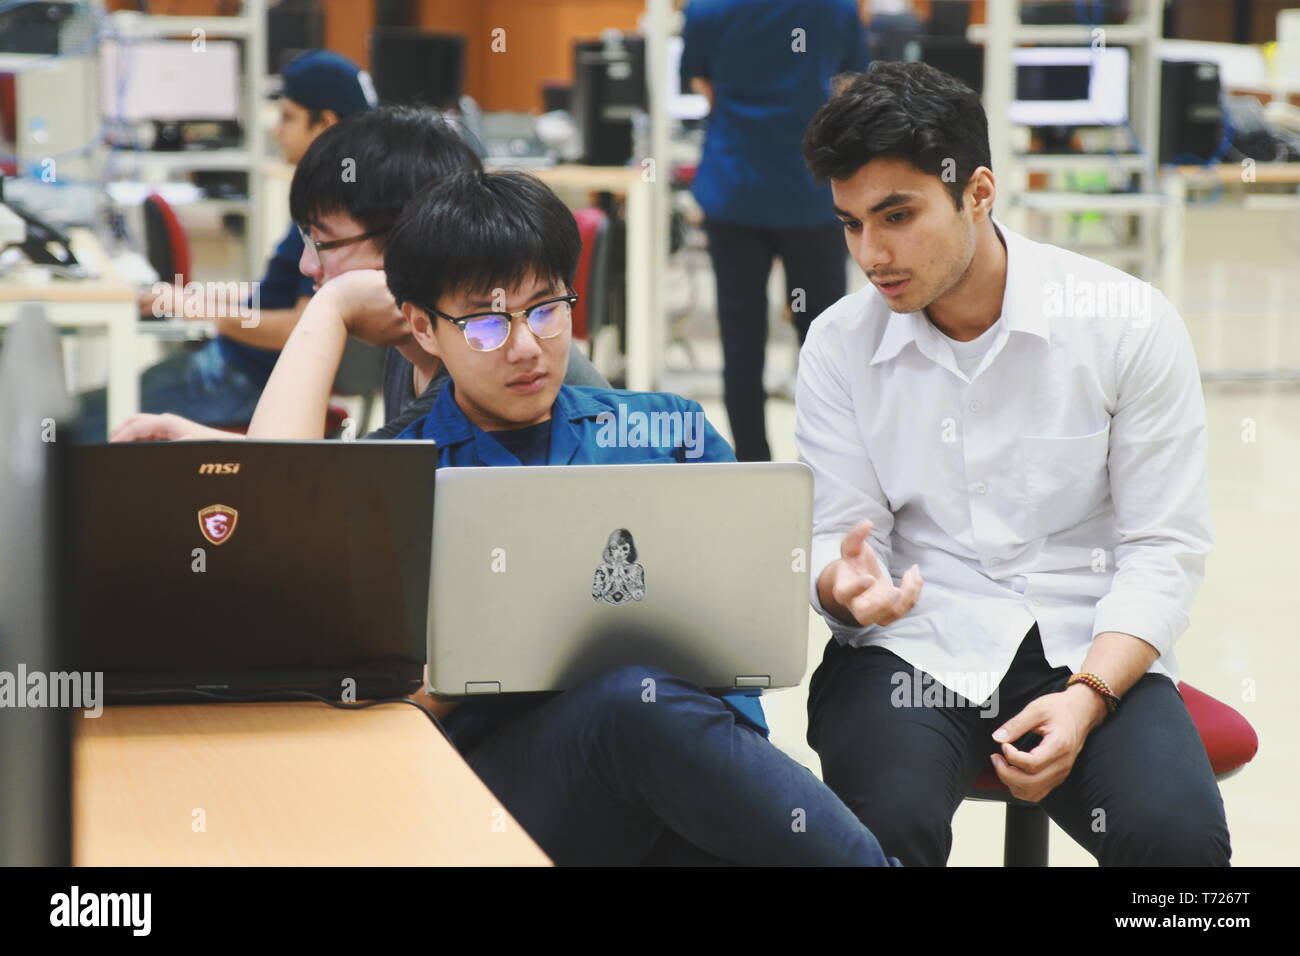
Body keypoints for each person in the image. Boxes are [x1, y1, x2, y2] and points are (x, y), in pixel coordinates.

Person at [250, 165, 899, 866]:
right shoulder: (389, 477)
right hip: (500, 801)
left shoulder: (669, 434)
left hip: (682, 774)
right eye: (487, 322)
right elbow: (340, 707)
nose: (527, 346)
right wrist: (435, 688)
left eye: (546, 309)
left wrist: (820, 575)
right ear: (422, 328)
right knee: (631, 701)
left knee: (655, 724)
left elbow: (744, 631)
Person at [795, 61, 1230, 866]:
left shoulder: (1124, 326)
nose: (873, 253)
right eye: (851, 224)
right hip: (911, 647)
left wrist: (1088, 699)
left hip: (1085, 640)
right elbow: (834, 533)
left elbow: (1163, 549)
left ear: (979, 192)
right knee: (878, 834)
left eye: (897, 215)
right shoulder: (839, 344)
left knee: (1180, 848)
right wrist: (841, 587)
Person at [109, 106, 609, 444]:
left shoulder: (487, 365)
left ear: (406, 242)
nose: (308, 266)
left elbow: (286, 483)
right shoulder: (419, 348)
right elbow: (361, 467)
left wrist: (332, 306)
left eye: (322, 242)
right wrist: (200, 438)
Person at [78, 50, 376, 441]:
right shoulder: (333, 194)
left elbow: (298, 328)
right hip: (241, 365)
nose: (276, 130)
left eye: (287, 117)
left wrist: (201, 308)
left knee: (80, 419)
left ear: (325, 124)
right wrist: (199, 299)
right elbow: (279, 300)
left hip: (248, 379)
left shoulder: (336, 209)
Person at [680, 0, 866, 461]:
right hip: (811, 187)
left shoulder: (707, 10)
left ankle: (752, 464)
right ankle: (828, 461)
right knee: (824, 335)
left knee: (740, 340)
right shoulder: (836, 8)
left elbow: (701, 81)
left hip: (735, 187)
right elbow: (851, 82)